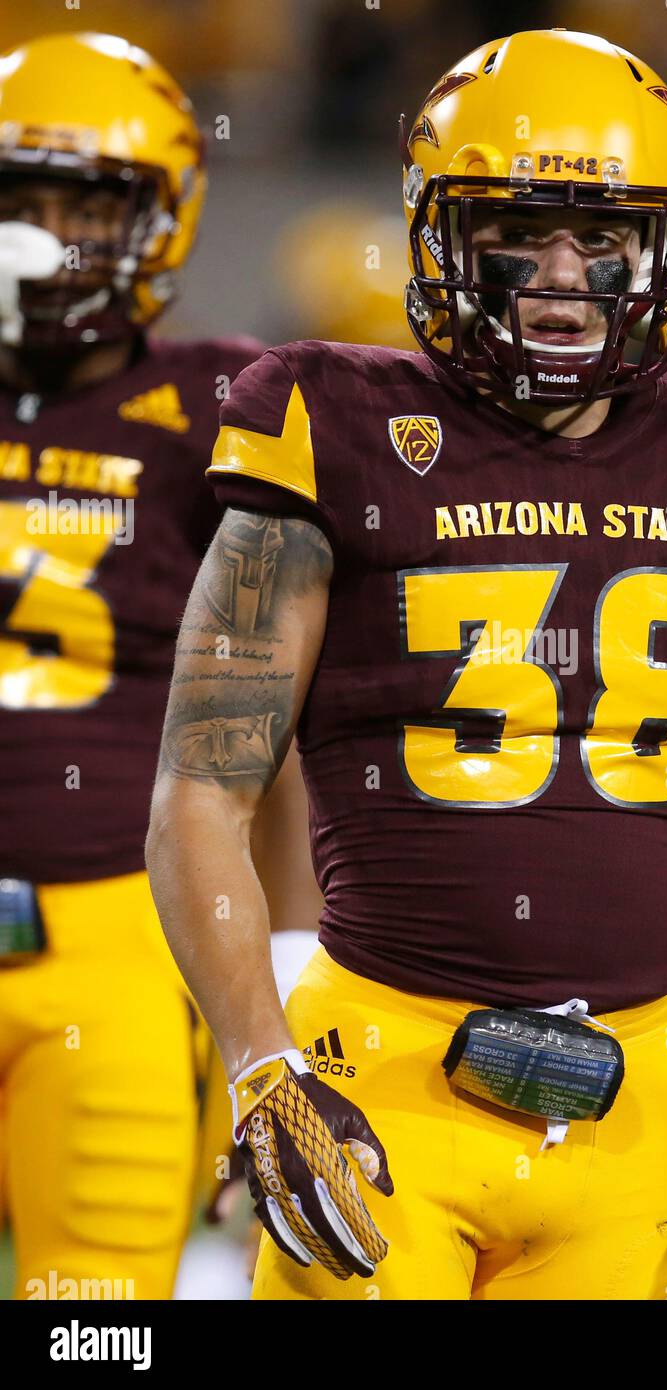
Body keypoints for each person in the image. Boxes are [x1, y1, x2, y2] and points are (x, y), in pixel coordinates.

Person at [147, 27, 667, 1301]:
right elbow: (203, 788)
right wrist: (260, 1061)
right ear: (439, 235)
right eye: (518, 230)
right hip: (378, 1069)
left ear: (663, 242)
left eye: (600, 238)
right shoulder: (330, 423)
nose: (558, 276)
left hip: (633, 1098)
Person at [0, 32, 260, 1299]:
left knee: (94, 1321)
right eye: (18, 202)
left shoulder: (221, 413)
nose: (44, 237)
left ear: (160, 218)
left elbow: (281, 725)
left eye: (83, 205)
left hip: (113, 932)